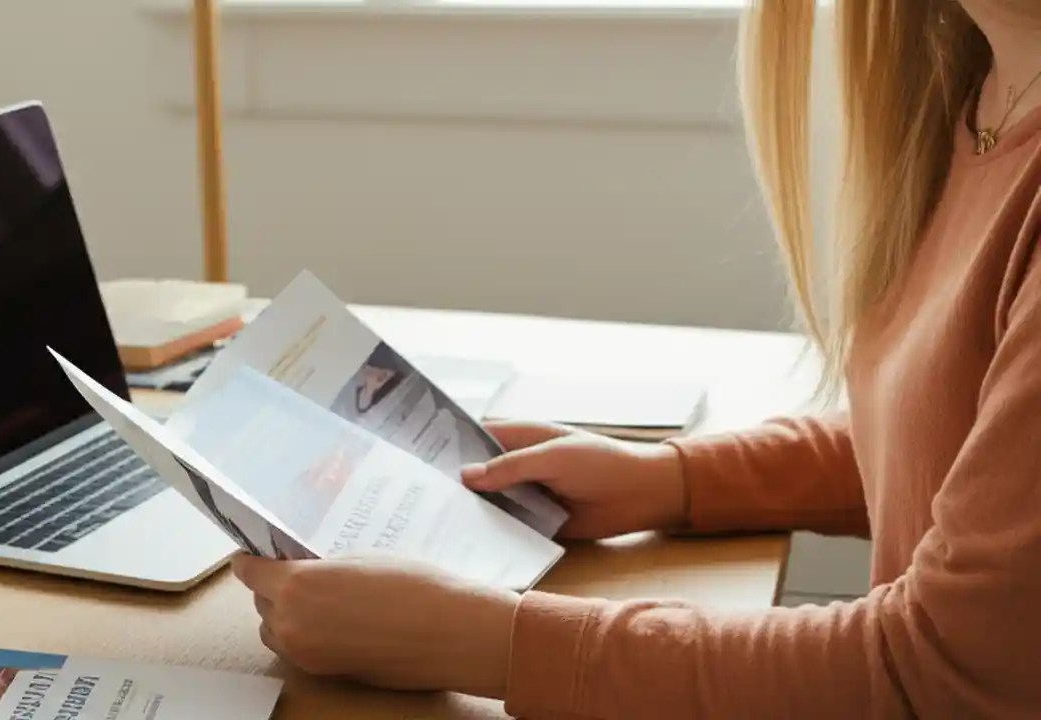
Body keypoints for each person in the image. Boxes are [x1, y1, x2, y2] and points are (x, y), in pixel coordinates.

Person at [232, 1, 1041, 716]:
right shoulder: (982, 89)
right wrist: (672, 478)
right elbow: (951, 438)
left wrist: (484, 643)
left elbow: (940, 672)